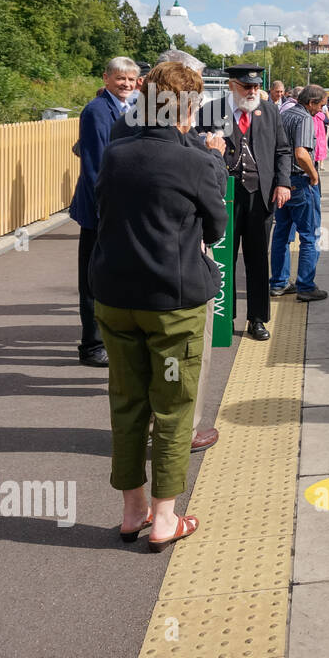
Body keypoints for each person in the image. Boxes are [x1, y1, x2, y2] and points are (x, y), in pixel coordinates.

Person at [89, 61, 227, 551]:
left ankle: (132, 511)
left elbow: (102, 211)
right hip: (172, 303)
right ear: (188, 109)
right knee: (172, 408)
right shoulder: (196, 161)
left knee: (127, 403)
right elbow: (216, 228)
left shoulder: (116, 153)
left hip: (114, 297)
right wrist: (214, 161)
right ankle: (166, 519)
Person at [196, 64, 292, 341]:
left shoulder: (270, 111)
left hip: (259, 197)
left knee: (258, 258)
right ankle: (222, 319)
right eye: (246, 87)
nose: (252, 91)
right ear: (231, 86)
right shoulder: (211, 111)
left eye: (256, 86)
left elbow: (283, 150)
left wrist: (283, 183)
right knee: (223, 258)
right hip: (222, 196)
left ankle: (258, 318)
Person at [69, 56, 139, 367]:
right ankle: (91, 345)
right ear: (106, 78)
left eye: (131, 79)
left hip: (118, 207)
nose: (126, 84)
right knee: (92, 280)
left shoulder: (131, 109)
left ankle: (108, 341)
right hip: (101, 210)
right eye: (120, 78)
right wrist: (113, 208)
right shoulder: (96, 111)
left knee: (112, 278)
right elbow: (97, 166)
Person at [269, 86, 326, 301]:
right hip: (300, 182)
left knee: (281, 234)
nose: (321, 110)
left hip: (282, 182)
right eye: (320, 106)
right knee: (310, 236)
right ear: (310, 102)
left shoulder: (284, 114)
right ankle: (306, 286)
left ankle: (279, 283)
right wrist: (313, 175)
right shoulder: (304, 119)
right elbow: (301, 153)